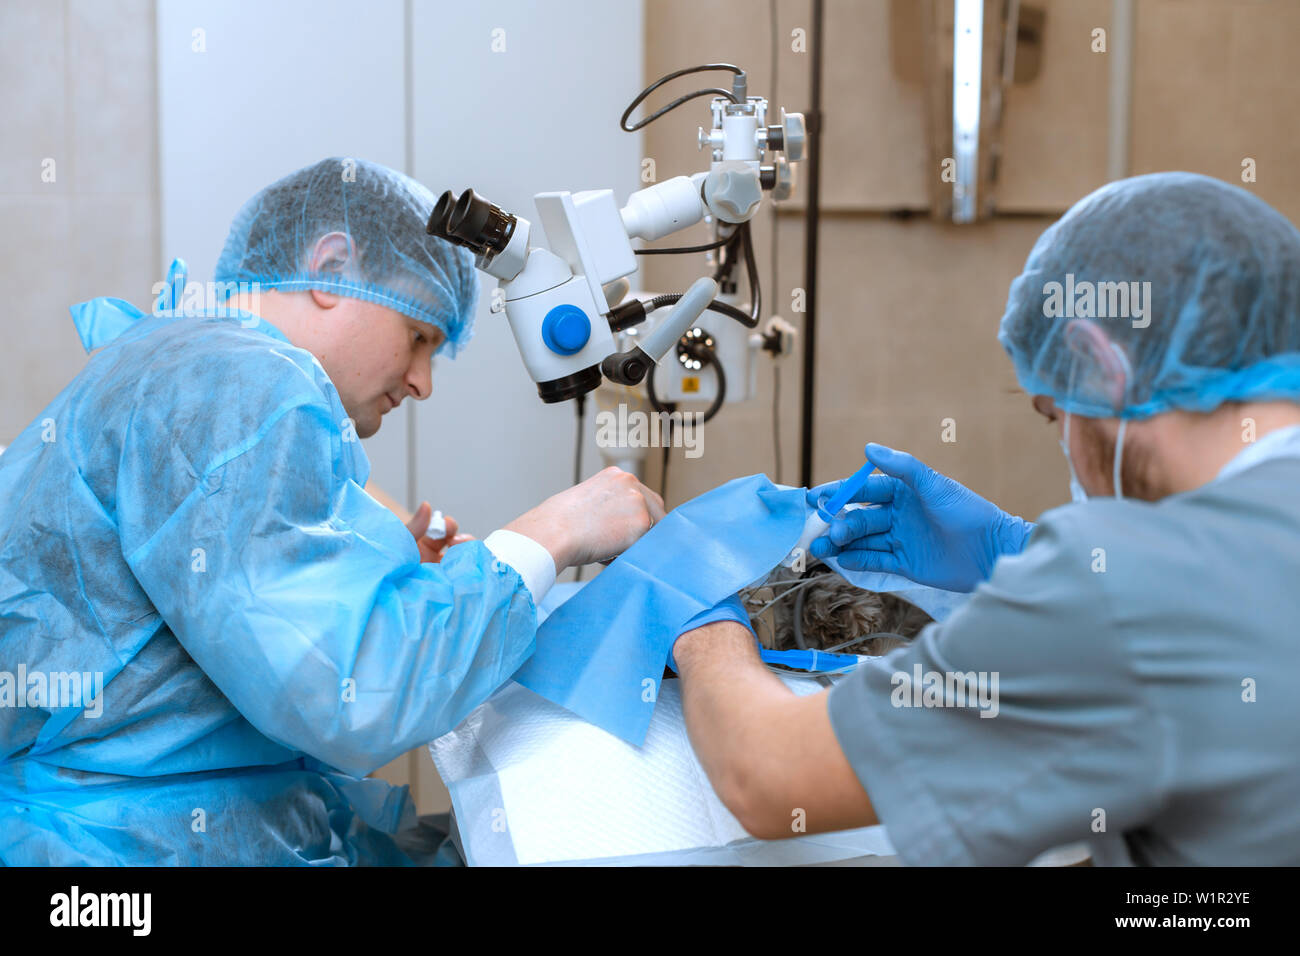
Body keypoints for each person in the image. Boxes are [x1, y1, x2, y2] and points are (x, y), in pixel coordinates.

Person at [0, 158, 664, 865]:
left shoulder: (187, 362)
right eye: (419, 336)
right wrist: (550, 534)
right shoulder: (239, 381)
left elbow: (227, 610)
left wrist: (378, 570)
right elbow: (349, 696)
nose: (422, 382)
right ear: (330, 264)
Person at [671, 172, 1300, 865]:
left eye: (1053, 414)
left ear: (1100, 366)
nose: (1065, 444)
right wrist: (1014, 553)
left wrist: (700, 617)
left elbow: (765, 776)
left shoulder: (1132, 589)